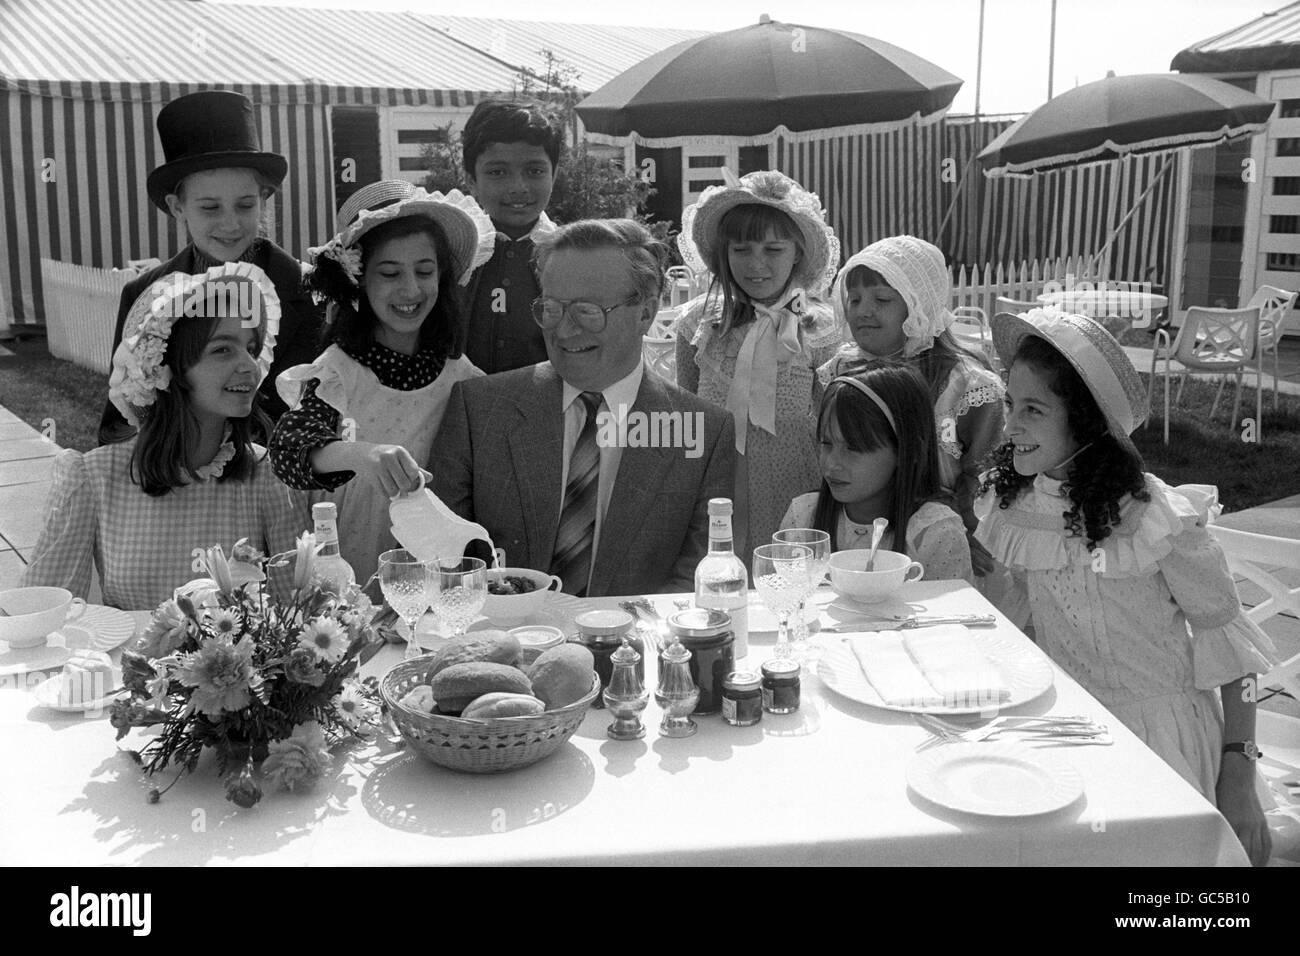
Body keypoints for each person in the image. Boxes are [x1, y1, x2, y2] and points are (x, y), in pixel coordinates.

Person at [976, 309, 1277, 866]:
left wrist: (1238, 770)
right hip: (1069, 735)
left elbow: (1234, 656)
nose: (1011, 426)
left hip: (1163, 742)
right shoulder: (1016, 509)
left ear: (1087, 423)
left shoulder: (1154, 517)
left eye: (1034, 410)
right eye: (1009, 405)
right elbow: (1027, 625)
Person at [432, 218, 734, 597]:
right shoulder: (479, 410)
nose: (563, 330)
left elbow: (701, 583)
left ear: (646, 312)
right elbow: (442, 562)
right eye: (552, 308)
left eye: (588, 311)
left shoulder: (704, 432)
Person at [24, 264, 307, 610]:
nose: (250, 365)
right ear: (166, 367)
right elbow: (41, 609)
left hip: (236, 663)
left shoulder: (267, 475)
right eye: (223, 349)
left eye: (251, 347)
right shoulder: (94, 476)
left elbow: (298, 613)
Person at [268, 180, 495, 588]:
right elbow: (287, 452)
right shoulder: (336, 372)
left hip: (437, 591)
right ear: (357, 281)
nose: (410, 290)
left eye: (424, 271)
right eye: (390, 273)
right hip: (346, 592)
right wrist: (361, 455)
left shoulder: (463, 378)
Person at [97, 90, 323, 445]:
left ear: (264, 199)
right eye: (210, 208)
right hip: (171, 487)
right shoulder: (144, 295)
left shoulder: (306, 291)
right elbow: (118, 423)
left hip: (278, 485)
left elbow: (318, 416)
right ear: (177, 207)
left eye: (245, 205)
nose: (231, 224)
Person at [675, 170, 842, 556]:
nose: (756, 264)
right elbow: (687, 418)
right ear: (723, 254)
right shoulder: (698, 326)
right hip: (715, 499)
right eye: (741, 250)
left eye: (773, 250)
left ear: (797, 252)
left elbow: (838, 430)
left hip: (797, 500)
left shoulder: (822, 332)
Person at [818, 236, 1003, 574]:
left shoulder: (963, 383)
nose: (863, 310)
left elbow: (986, 472)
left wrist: (970, 532)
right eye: (855, 299)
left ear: (920, 304)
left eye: (882, 299)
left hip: (938, 539)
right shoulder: (840, 371)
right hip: (857, 534)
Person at [781, 364, 973, 583]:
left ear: (906, 452)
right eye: (826, 443)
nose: (832, 463)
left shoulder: (933, 533)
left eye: (853, 448)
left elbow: (954, 615)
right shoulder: (803, 518)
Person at [460, 98, 563, 374]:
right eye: (498, 172)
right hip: (459, 409)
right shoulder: (453, 253)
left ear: (554, 175)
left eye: (534, 171)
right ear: (471, 180)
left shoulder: (569, 257)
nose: (518, 187)